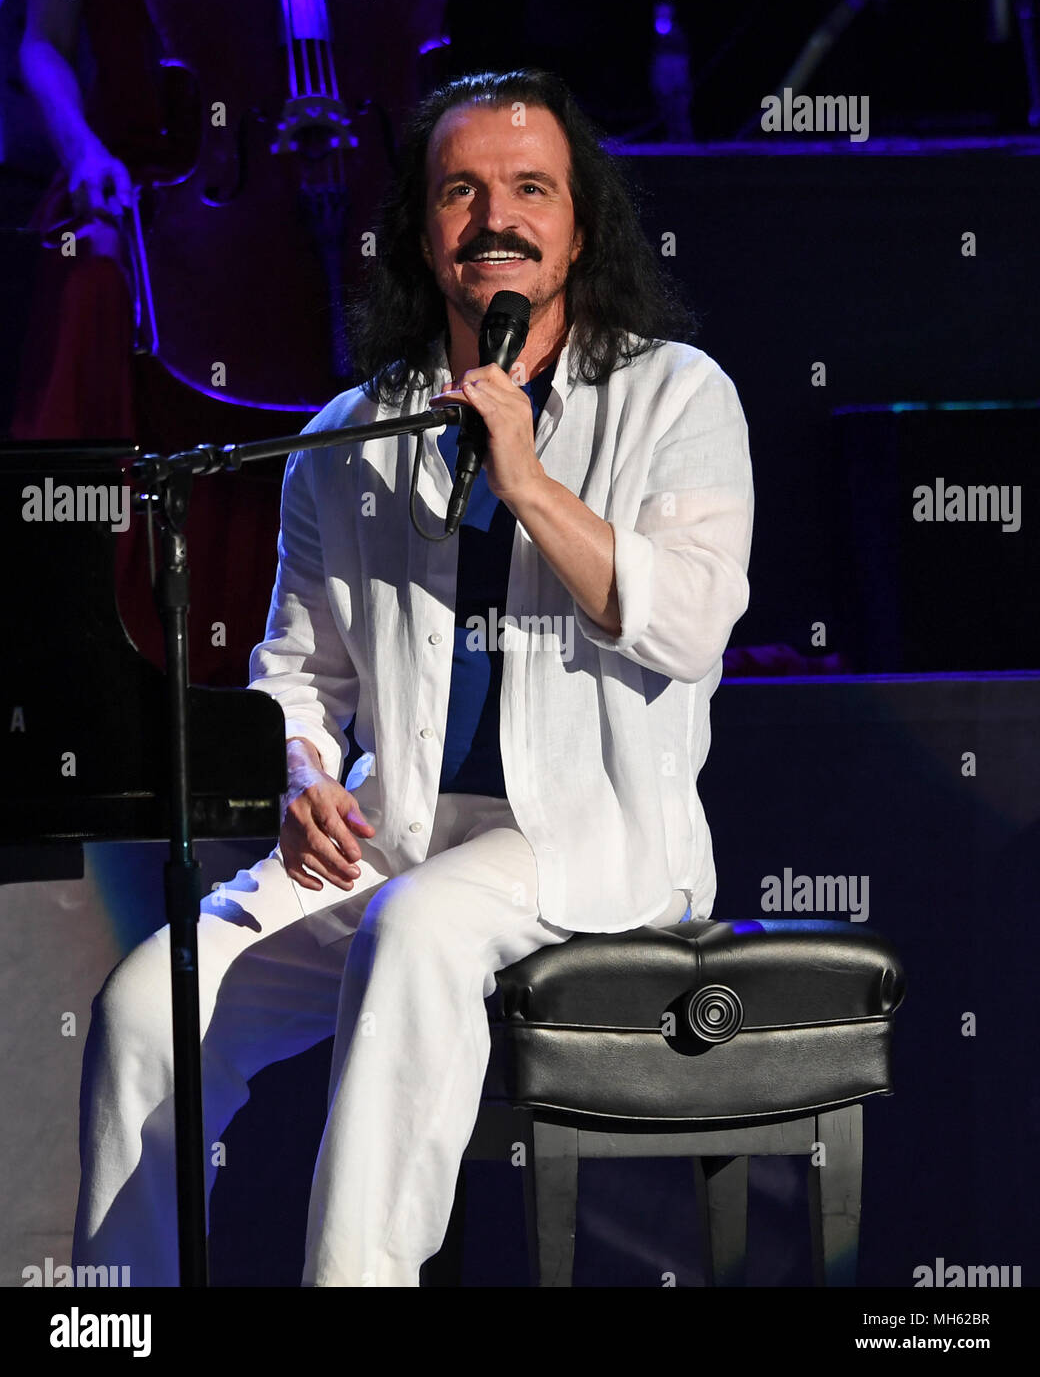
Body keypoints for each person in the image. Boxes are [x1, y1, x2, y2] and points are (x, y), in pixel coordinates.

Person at [71, 67, 754, 1288]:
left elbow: (689, 625)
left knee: (417, 921)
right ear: (421, 230)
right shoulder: (350, 430)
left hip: (588, 838)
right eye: (461, 190)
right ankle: (124, 1317)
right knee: (143, 1004)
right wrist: (299, 772)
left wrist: (530, 481)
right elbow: (298, 672)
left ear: (577, 225)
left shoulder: (675, 395)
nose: (495, 217)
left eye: (529, 188)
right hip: (391, 834)